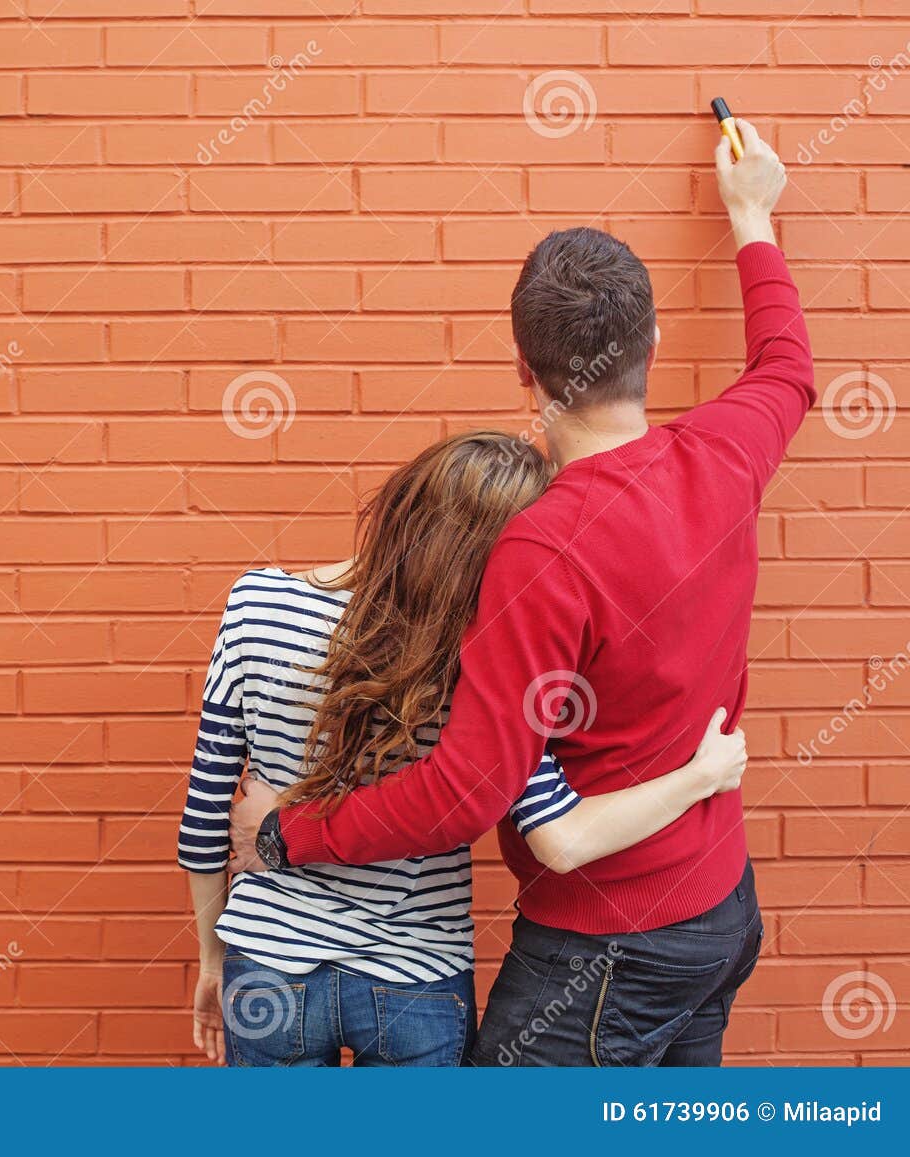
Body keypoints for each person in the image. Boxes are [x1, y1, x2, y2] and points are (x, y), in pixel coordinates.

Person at [230, 120, 810, 1066]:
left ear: (524, 373)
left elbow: (466, 791)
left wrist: (288, 832)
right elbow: (786, 365)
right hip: (719, 912)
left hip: (608, 950)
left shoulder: (539, 548)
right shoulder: (726, 452)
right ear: (654, 342)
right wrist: (752, 216)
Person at [181, 432, 748, 1067]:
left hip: (269, 960)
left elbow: (204, 817)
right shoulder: (482, 664)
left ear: (402, 501)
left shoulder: (254, 604)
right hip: (415, 976)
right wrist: (701, 776)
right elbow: (562, 833)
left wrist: (212, 960)